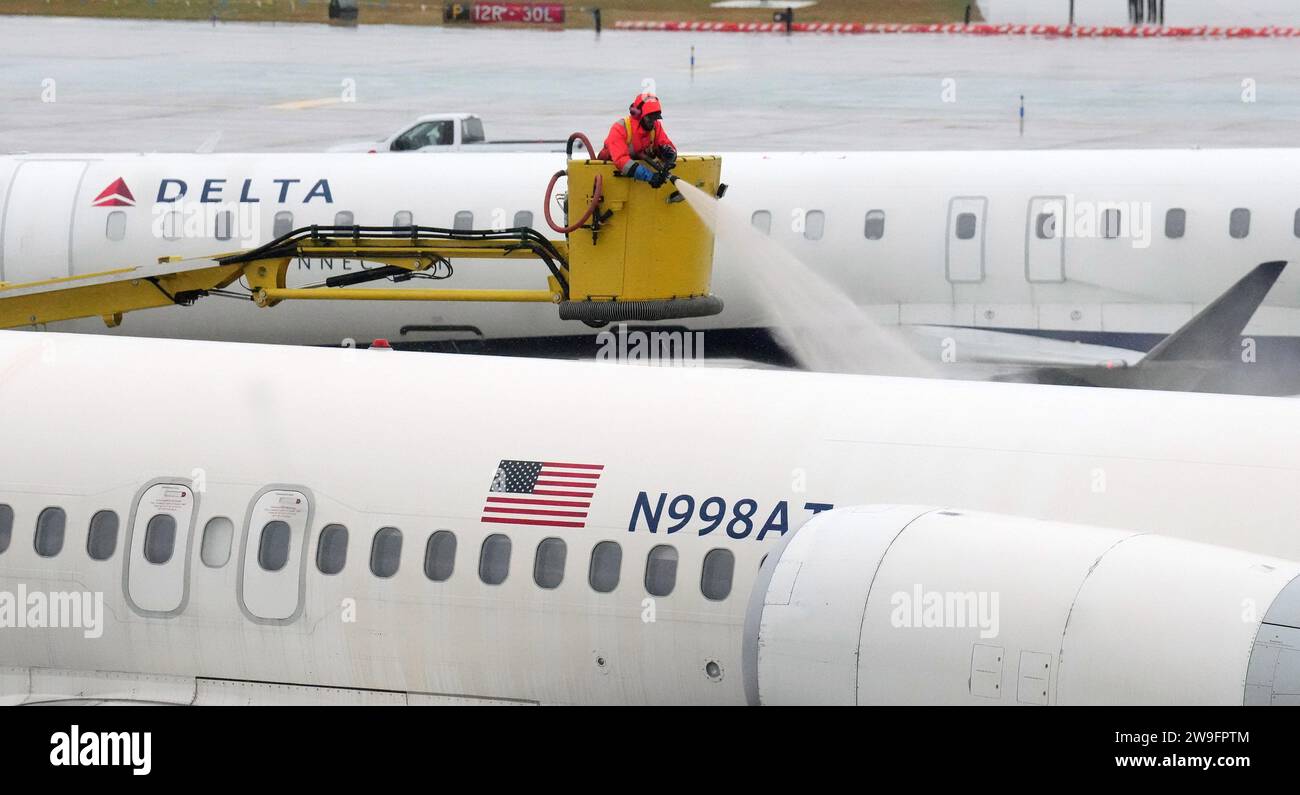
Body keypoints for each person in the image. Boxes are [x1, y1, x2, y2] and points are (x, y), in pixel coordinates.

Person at [597, 93, 678, 188]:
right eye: (649, 118)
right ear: (639, 115)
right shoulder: (620, 128)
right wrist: (650, 176)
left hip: (633, 177)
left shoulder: (656, 126)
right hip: (608, 177)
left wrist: (669, 154)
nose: (652, 122)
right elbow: (621, 161)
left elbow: (666, 144)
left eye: (655, 118)